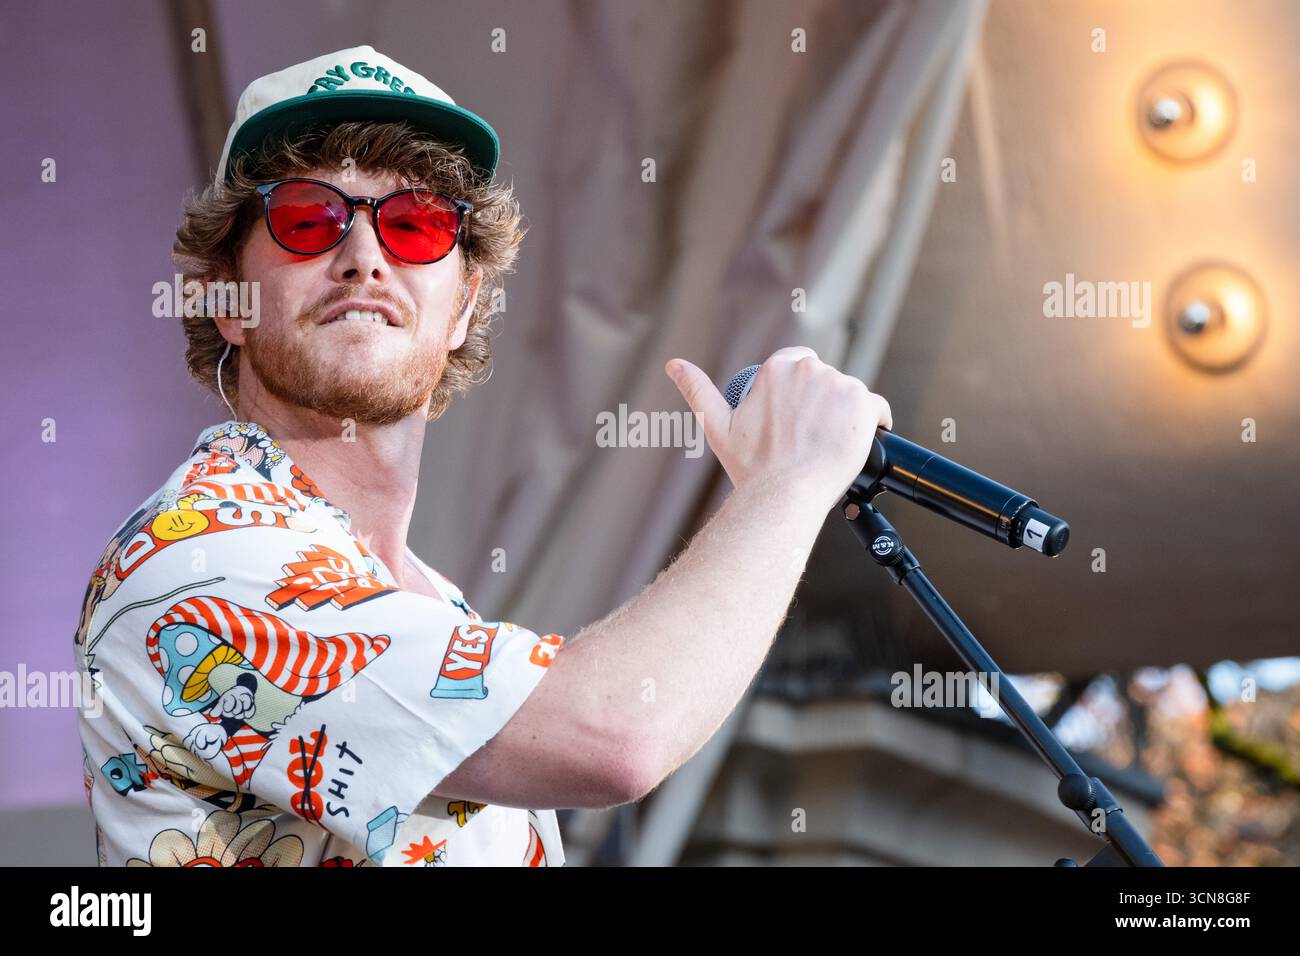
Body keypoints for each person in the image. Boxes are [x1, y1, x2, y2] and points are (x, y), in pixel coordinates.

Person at [74, 46, 892, 867]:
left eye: (416, 224)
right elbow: (617, 732)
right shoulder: (204, 554)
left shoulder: (429, 603)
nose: (364, 255)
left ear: (464, 306)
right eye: (307, 218)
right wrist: (787, 485)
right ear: (227, 301)